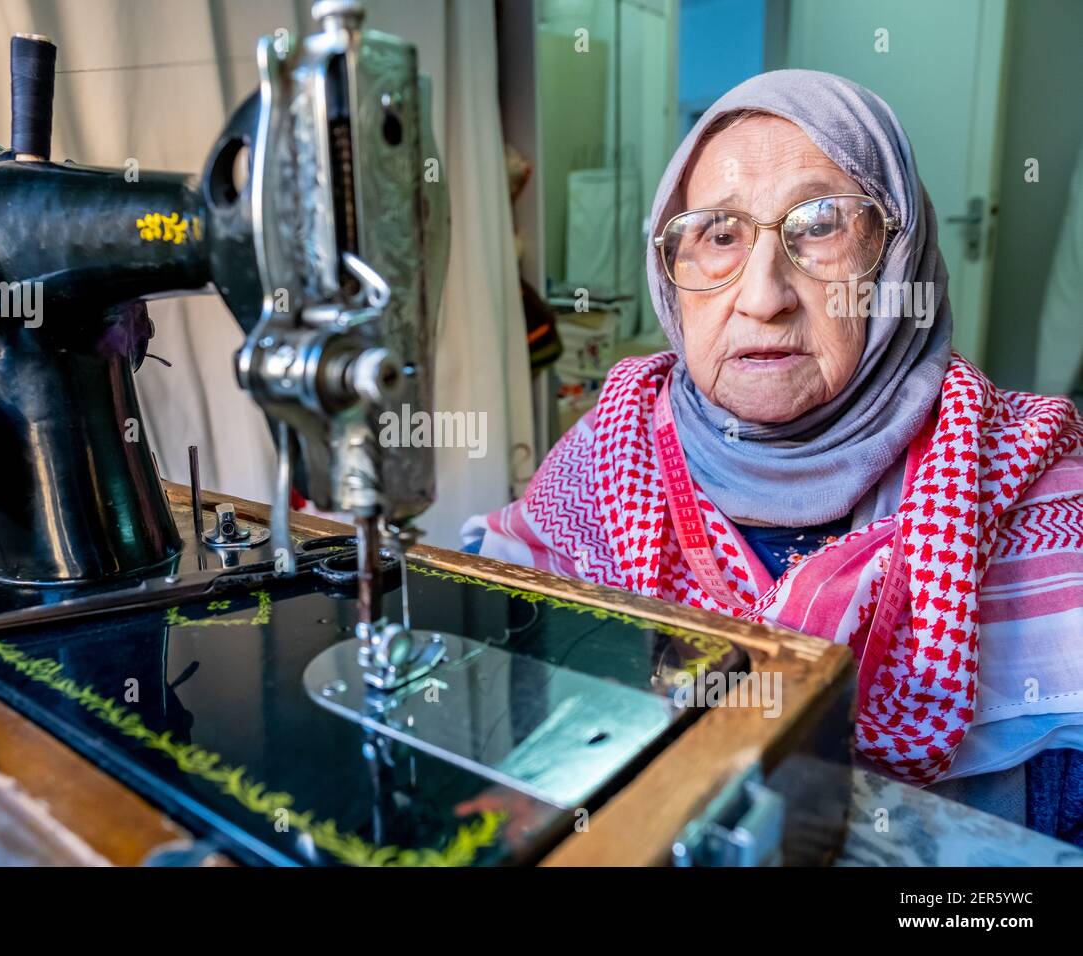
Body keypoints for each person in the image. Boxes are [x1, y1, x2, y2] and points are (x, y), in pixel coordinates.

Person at [464, 71, 1083, 845]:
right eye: (718, 234)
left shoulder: (1031, 483)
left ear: (898, 254)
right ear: (670, 273)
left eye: (820, 224)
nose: (763, 295)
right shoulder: (604, 453)